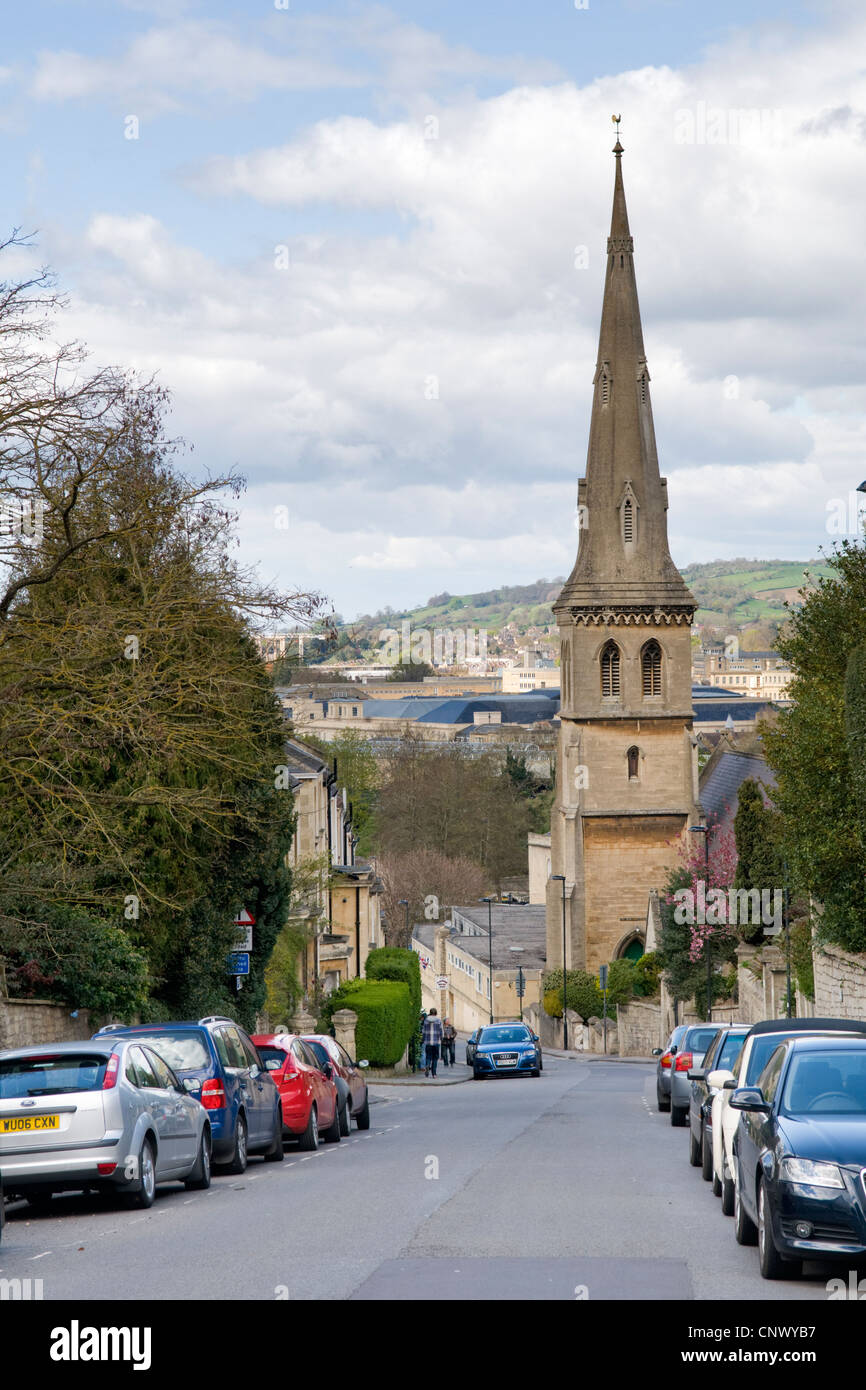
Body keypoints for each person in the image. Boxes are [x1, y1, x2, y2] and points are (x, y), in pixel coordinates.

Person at [422, 1007, 443, 1077]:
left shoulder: (426, 1020)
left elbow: (424, 1032)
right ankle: (434, 1074)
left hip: (428, 1042)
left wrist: (423, 1039)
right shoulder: (438, 1021)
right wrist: (441, 1038)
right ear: (436, 1013)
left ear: (430, 1013)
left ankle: (427, 1065)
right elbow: (441, 1031)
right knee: (435, 1058)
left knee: (428, 1057)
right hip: (436, 1042)